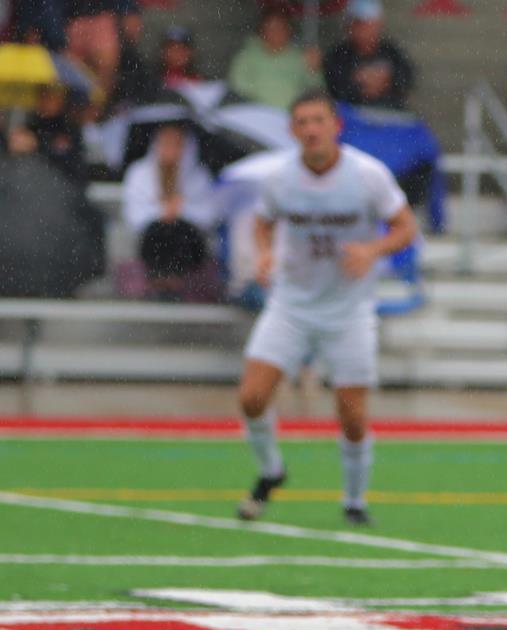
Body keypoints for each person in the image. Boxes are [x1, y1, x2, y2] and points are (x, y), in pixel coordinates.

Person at [234, 91, 416, 529]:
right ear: (291, 130)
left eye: (318, 120)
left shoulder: (368, 175)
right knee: (251, 397)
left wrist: (373, 249)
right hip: (292, 303)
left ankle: (354, 499)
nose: (311, 129)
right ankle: (271, 471)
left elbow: (405, 226)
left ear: (336, 125)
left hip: (349, 308)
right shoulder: (280, 178)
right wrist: (263, 254)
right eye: (302, 122)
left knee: (352, 416)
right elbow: (263, 220)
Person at [121, 121, 219, 298]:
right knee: (161, 230)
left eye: (177, 144)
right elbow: (133, 217)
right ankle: (159, 281)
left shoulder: (198, 175)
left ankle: (177, 281)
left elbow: (209, 216)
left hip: (188, 241)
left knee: (179, 230)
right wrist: (162, 211)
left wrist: (182, 210)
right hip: (151, 238)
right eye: (165, 142)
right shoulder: (139, 173)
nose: (170, 149)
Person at [323, 0, 417, 111]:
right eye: (359, 25)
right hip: (351, 118)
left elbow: (407, 78)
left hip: (389, 115)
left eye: (369, 25)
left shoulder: (391, 52)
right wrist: (361, 83)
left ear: (379, 25)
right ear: (349, 27)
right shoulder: (338, 55)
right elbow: (335, 87)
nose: (364, 30)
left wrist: (387, 79)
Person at [229, 8, 321, 111]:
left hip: (291, 117)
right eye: (270, 27)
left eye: (280, 27)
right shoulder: (247, 56)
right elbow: (238, 87)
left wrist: (314, 70)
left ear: (289, 30)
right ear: (261, 30)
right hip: (255, 115)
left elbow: (315, 90)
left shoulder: (301, 57)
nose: (275, 32)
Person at [65, 0, 135, 94]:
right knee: (70, 68)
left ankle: (101, 102)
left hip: (102, 16)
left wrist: (129, 9)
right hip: (69, 19)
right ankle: (80, 103)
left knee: (106, 61)